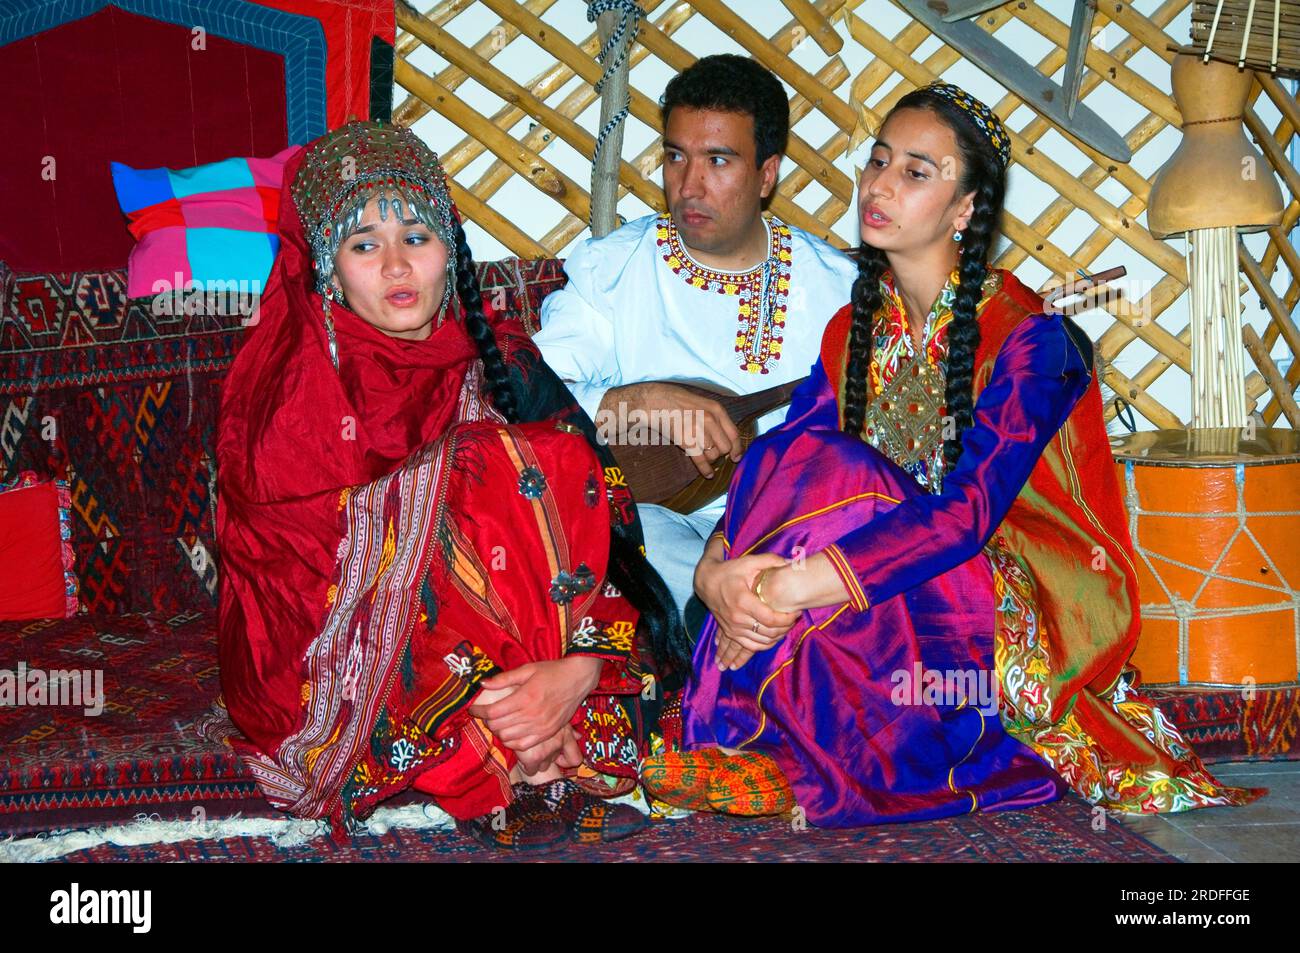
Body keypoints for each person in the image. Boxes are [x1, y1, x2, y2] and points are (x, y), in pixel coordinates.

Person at [640, 83, 1263, 826]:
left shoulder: (1034, 340)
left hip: (1003, 598)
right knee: (808, 466)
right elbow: (779, 464)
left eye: (915, 172)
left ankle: (784, 759)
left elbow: (965, 517)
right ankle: (769, 757)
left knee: (844, 490)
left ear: (965, 209)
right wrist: (717, 574)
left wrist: (793, 585)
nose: (879, 185)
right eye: (878, 161)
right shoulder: (851, 330)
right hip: (879, 578)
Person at [213, 120, 689, 852]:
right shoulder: (289, 386)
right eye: (364, 244)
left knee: (548, 458)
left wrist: (579, 666)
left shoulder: (498, 359)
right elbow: (297, 590)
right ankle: (527, 746)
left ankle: (536, 727)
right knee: (481, 464)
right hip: (339, 667)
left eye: (417, 237)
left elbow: (609, 526)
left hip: (525, 659)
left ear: (451, 250)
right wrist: (442, 504)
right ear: (328, 271)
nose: (398, 265)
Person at [533, 54, 856, 617]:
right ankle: (711, 619)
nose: (689, 185)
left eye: (719, 160)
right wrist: (636, 401)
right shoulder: (614, 269)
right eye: (676, 156)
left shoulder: (837, 291)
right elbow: (527, 397)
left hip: (786, 530)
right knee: (627, 539)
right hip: (654, 521)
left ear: (768, 173)